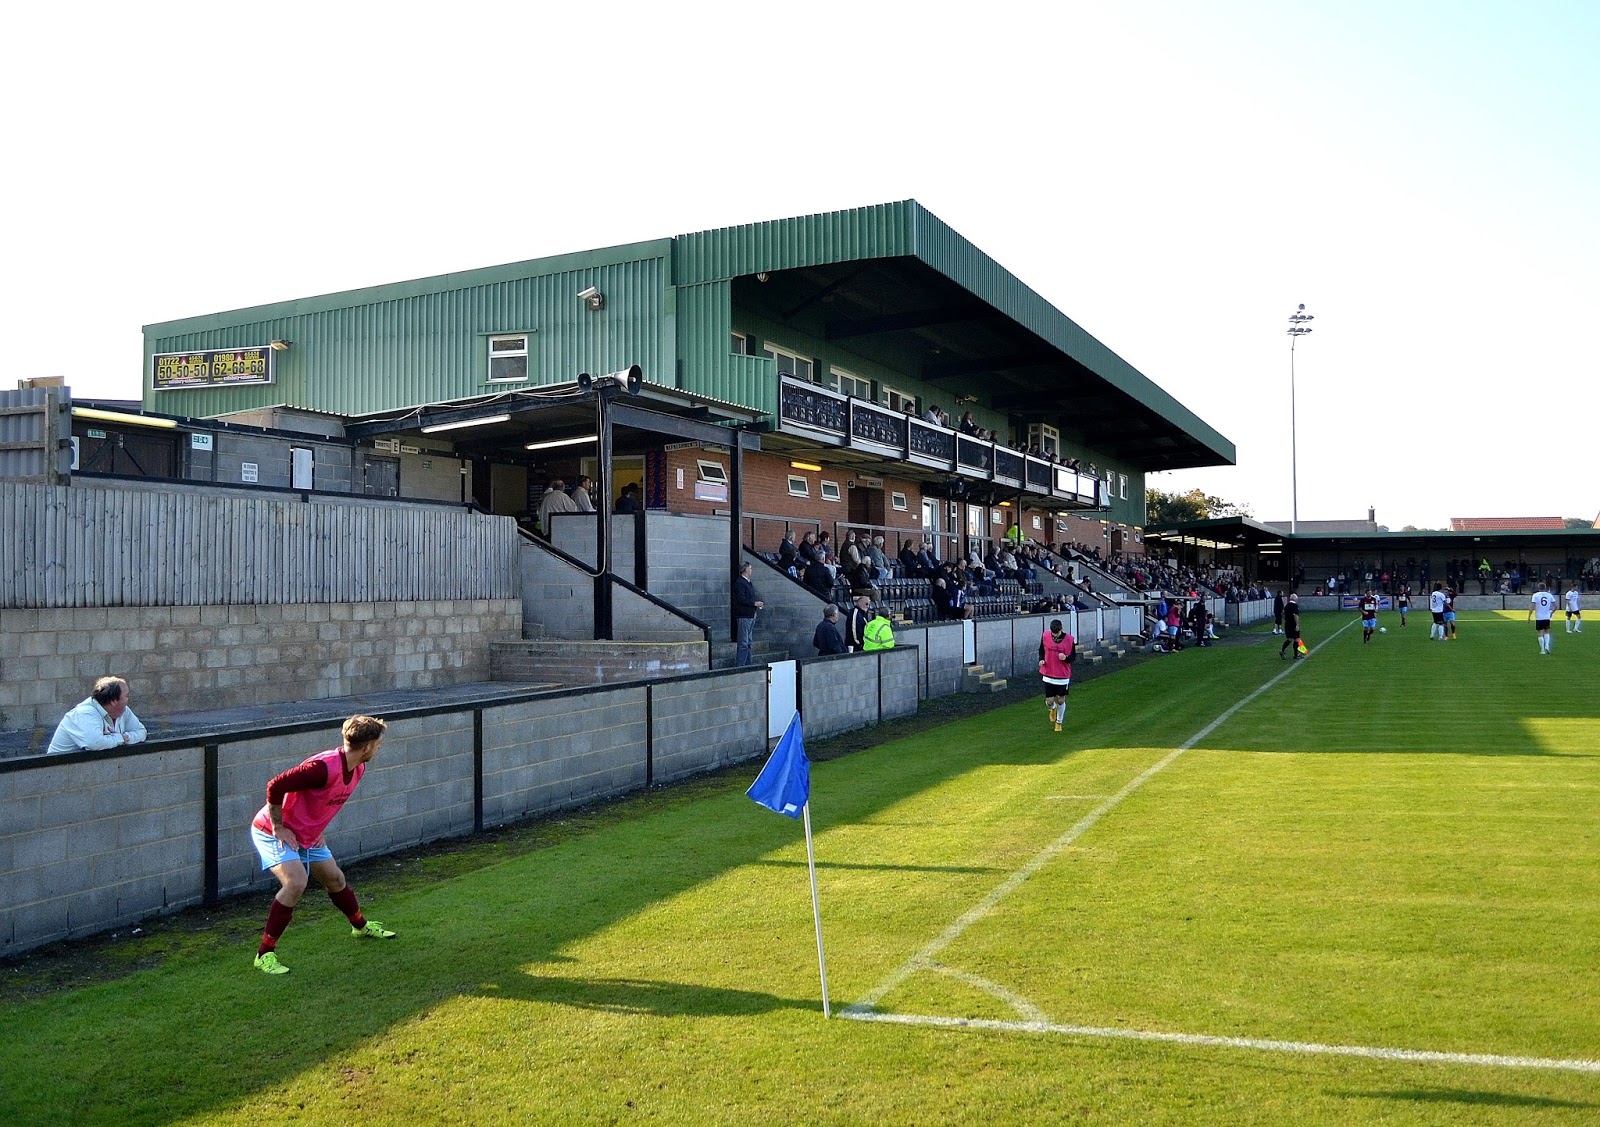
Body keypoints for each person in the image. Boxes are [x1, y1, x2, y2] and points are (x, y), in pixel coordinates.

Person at [249, 714, 396, 975]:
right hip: (272, 831)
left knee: (335, 880)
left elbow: (321, 803)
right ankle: (264, 954)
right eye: (377, 743)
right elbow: (275, 786)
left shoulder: (358, 767)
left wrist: (316, 829)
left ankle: (360, 927)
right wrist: (278, 827)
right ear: (366, 747)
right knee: (296, 882)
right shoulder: (322, 768)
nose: (379, 747)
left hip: (307, 836)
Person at [47, 675, 147, 755]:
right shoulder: (85, 713)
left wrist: (125, 737)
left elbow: (142, 732)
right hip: (58, 772)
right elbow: (94, 743)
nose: (128, 699)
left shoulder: (123, 711)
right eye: (126, 696)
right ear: (113, 701)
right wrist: (119, 739)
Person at [1038, 618, 1074, 733]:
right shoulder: (1045, 636)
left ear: (1061, 629)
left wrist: (1066, 658)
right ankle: (1052, 709)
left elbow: (1073, 657)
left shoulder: (1069, 639)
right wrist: (1041, 660)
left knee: (1060, 700)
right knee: (1049, 701)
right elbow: (1041, 650)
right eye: (1053, 634)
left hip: (1062, 675)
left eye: (1057, 634)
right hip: (1048, 672)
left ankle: (1059, 722)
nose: (1055, 636)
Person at [733, 562, 764, 667]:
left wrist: (755, 605)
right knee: (743, 643)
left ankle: (748, 664)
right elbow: (741, 599)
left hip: (751, 614)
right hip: (744, 615)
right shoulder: (740, 583)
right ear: (745, 570)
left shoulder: (748, 583)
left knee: (748, 642)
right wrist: (754, 603)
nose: (751, 570)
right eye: (750, 568)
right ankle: (741, 665)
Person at [1529, 582, 1558, 654]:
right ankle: (1547, 646)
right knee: (1547, 632)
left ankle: (1542, 650)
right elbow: (1556, 606)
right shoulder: (1549, 595)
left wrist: (1529, 616)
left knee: (1540, 633)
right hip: (1547, 617)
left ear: (1538, 588)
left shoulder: (1535, 595)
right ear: (1545, 588)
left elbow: (1532, 606)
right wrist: (1551, 613)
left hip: (1539, 617)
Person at [1279, 593, 1303, 660]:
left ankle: (1282, 650)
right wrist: (1297, 625)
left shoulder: (1286, 606)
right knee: (1296, 639)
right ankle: (1296, 654)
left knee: (1289, 639)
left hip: (1287, 624)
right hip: (1293, 624)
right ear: (1295, 599)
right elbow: (1295, 615)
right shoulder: (1294, 606)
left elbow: (1283, 614)